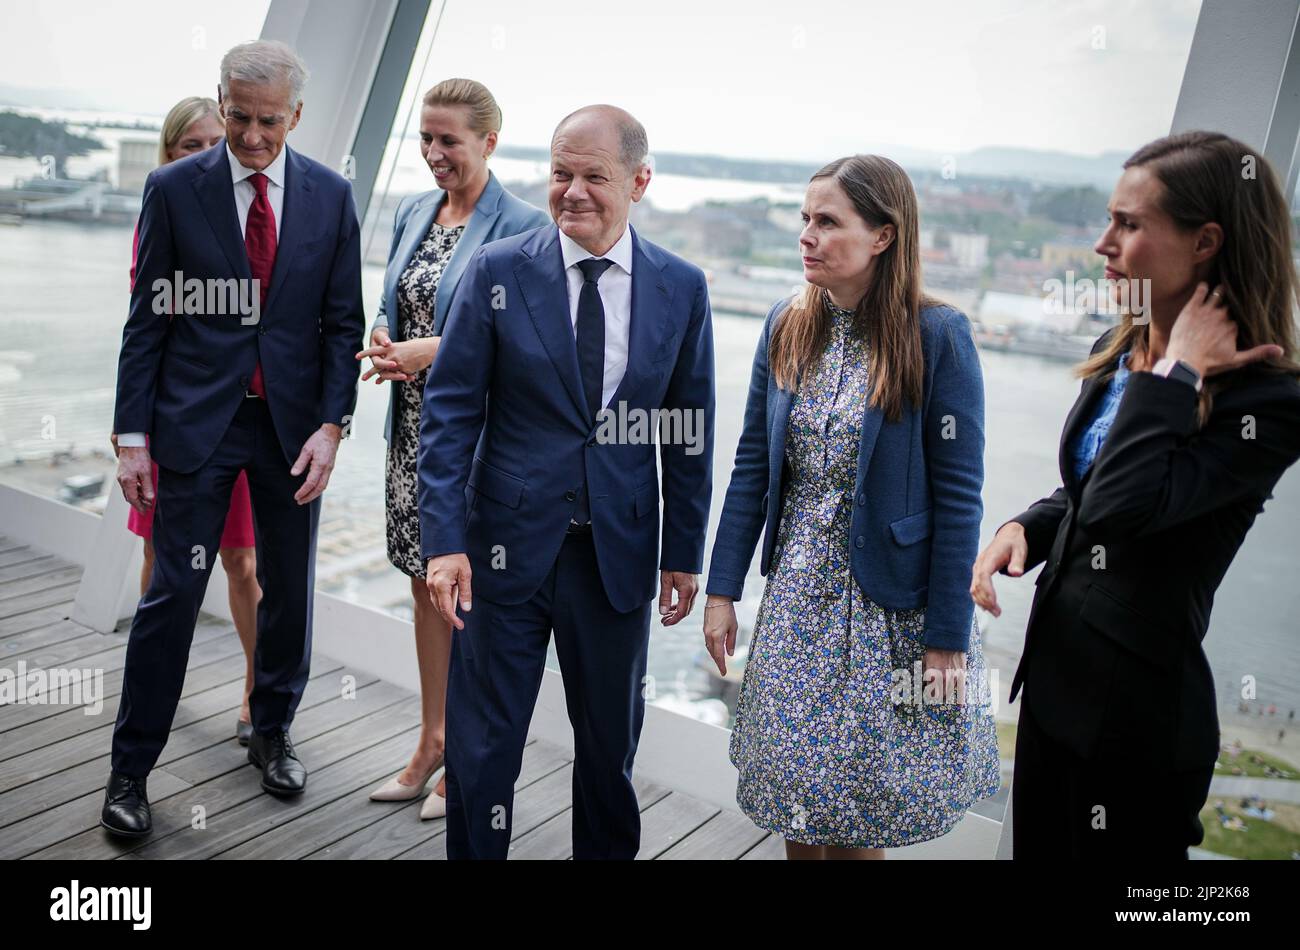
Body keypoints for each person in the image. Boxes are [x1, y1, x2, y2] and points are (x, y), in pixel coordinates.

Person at [971, 130, 1300, 859]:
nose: (1101, 244)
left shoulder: (1270, 402)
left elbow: (1123, 510)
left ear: (1206, 240)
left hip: (1135, 728)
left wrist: (1177, 375)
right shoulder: (1128, 350)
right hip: (1056, 695)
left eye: (1128, 224)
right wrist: (1030, 524)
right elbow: (1089, 489)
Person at [419, 105, 715, 859]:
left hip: (614, 560)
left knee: (609, 755)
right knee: (484, 754)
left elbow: (686, 431)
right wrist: (444, 543)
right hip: (500, 555)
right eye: (560, 173)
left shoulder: (681, 287)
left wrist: (683, 551)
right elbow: (448, 416)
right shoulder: (496, 271)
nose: (572, 191)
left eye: (594, 176)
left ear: (640, 182)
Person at [102, 40, 365, 837]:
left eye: (270, 122)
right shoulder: (174, 189)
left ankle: (273, 730)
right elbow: (147, 320)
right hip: (196, 426)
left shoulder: (331, 196)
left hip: (290, 431)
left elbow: (342, 325)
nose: (253, 137)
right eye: (240, 118)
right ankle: (129, 770)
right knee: (172, 595)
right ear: (222, 103)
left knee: (288, 592)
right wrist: (131, 437)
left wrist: (331, 426)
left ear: (297, 115)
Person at [703, 155, 999, 860]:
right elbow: (752, 468)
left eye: (827, 221)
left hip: (890, 615)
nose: (806, 234)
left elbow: (960, 501)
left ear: (884, 236)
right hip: (798, 607)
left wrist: (948, 642)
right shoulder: (787, 325)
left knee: (858, 812)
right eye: (805, 218)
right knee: (797, 801)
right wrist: (722, 591)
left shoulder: (938, 337)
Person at [357, 78, 548, 820]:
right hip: (411, 437)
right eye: (426, 140)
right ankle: (431, 739)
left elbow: (516, 342)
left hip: (475, 446)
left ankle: (463, 765)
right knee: (422, 585)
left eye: (450, 142)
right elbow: (392, 297)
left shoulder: (523, 225)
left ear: (489, 142)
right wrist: (383, 337)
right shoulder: (412, 210)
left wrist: (425, 350)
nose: (434, 154)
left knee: (470, 600)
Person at [111, 95, 262, 748]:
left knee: (241, 561)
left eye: (213, 145)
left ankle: (259, 687)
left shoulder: (256, 222)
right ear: (170, 156)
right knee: (159, 556)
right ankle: (153, 678)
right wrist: (131, 431)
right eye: (189, 147)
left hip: (240, 424)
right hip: (175, 420)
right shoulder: (164, 214)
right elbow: (143, 330)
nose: (204, 156)